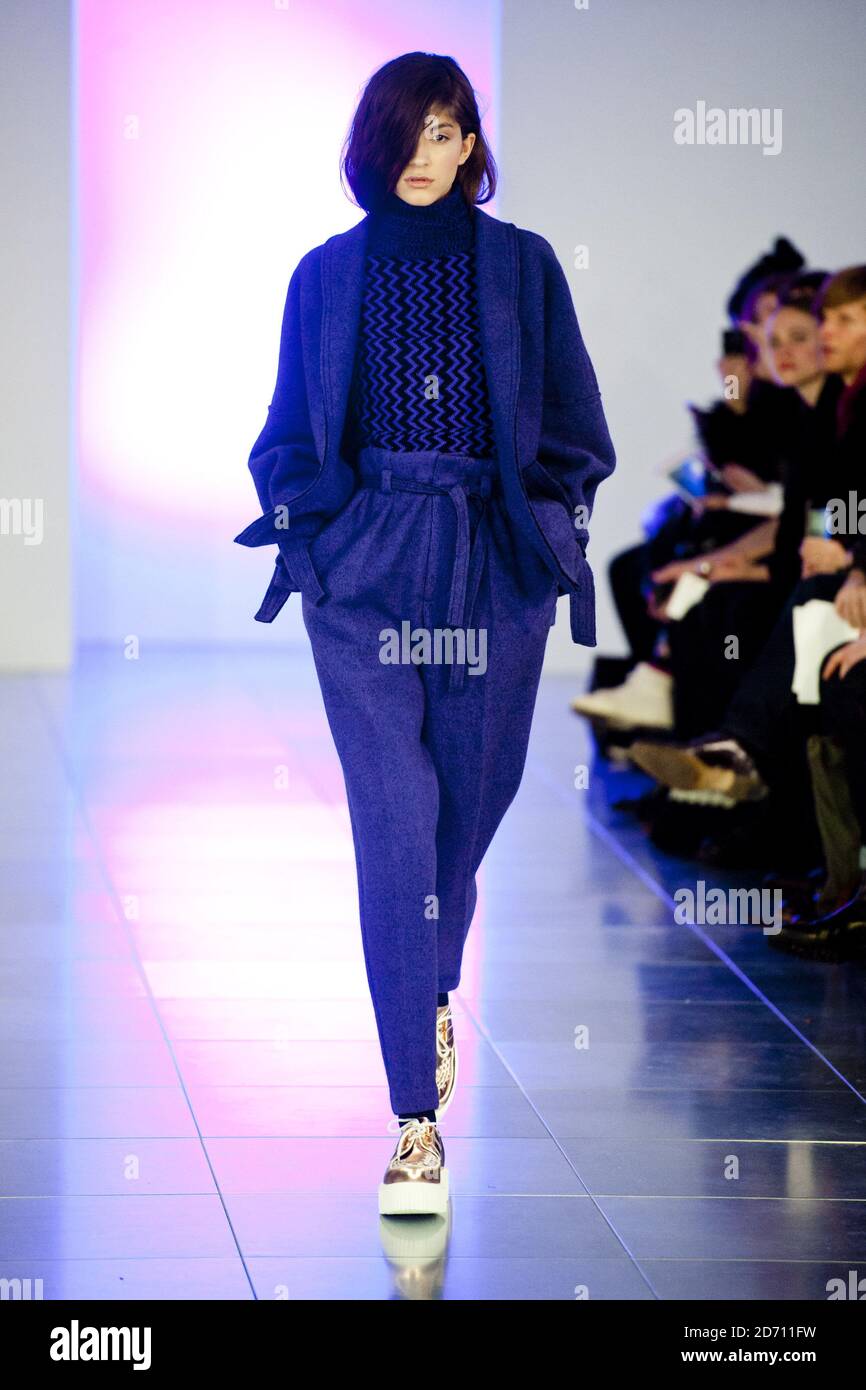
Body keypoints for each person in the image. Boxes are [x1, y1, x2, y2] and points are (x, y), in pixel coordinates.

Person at [233, 52, 616, 1215]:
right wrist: (314, 540)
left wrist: (550, 525)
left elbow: (574, 424)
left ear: (471, 145)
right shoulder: (324, 274)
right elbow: (290, 430)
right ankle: (413, 1118)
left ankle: (428, 986)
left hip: (491, 563)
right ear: (373, 142)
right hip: (367, 567)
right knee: (393, 820)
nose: (424, 153)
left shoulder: (523, 268)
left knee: (470, 805)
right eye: (406, 131)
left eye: (446, 131)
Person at [629, 266, 866, 826]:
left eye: (831, 325)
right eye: (770, 339)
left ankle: (735, 774)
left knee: (744, 613)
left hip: (822, 583)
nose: (786, 349)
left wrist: (854, 564)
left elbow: (828, 522)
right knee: (708, 598)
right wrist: (728, 564)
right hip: (812, 576)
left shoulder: (838, 408)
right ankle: (710, 787)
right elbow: (812, 523)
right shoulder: (825, 415)